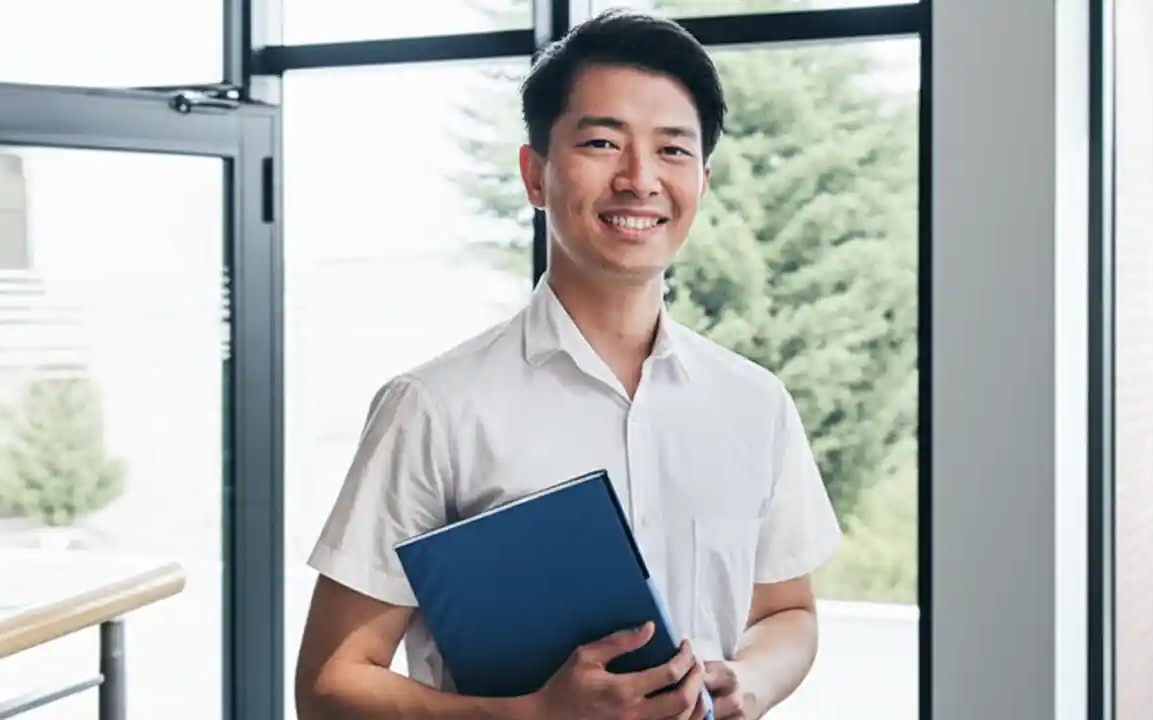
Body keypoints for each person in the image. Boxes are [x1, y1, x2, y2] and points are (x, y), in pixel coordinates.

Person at [294, 8, 842, 720]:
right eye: (604, 142)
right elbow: (330, 683)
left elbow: (787, 613)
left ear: (701, 182)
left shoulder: (755, 403)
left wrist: (753, 681)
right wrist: (533, 715)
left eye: (672, 150)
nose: (640, 179)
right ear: (534, 173)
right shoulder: (436, 406)